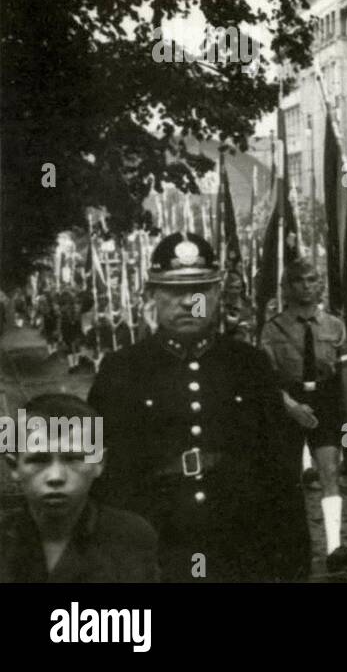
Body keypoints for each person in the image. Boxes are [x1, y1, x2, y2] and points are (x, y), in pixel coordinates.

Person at [87, 232, 310, 582]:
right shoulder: (122, 369)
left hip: (237, 539)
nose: (187, 302)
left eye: (200, 291)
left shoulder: (248, 365)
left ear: (217, 295)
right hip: (155, 541)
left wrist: (290, 559)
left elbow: (279, 466)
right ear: (151, 296)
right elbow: (101, 470)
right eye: (174, 292)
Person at [260, 259, 347, 572]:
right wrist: (290, 406)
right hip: (288, 401)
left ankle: (334, 547)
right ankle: (291, 547)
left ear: (321, 285)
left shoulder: (334, 325)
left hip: (325, 401)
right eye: (299, 280)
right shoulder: (273, 328)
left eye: (313, 279)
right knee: (288, 478)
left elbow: (346, 375)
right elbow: (265, 377)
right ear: (288, 287)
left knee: (329, 471)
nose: (307, 285)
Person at [1, 393, 159, 582]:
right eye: (38, 460)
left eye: (73, 459)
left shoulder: (130, 537)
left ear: (99, 462)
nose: (56, 477)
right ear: (14, 466)